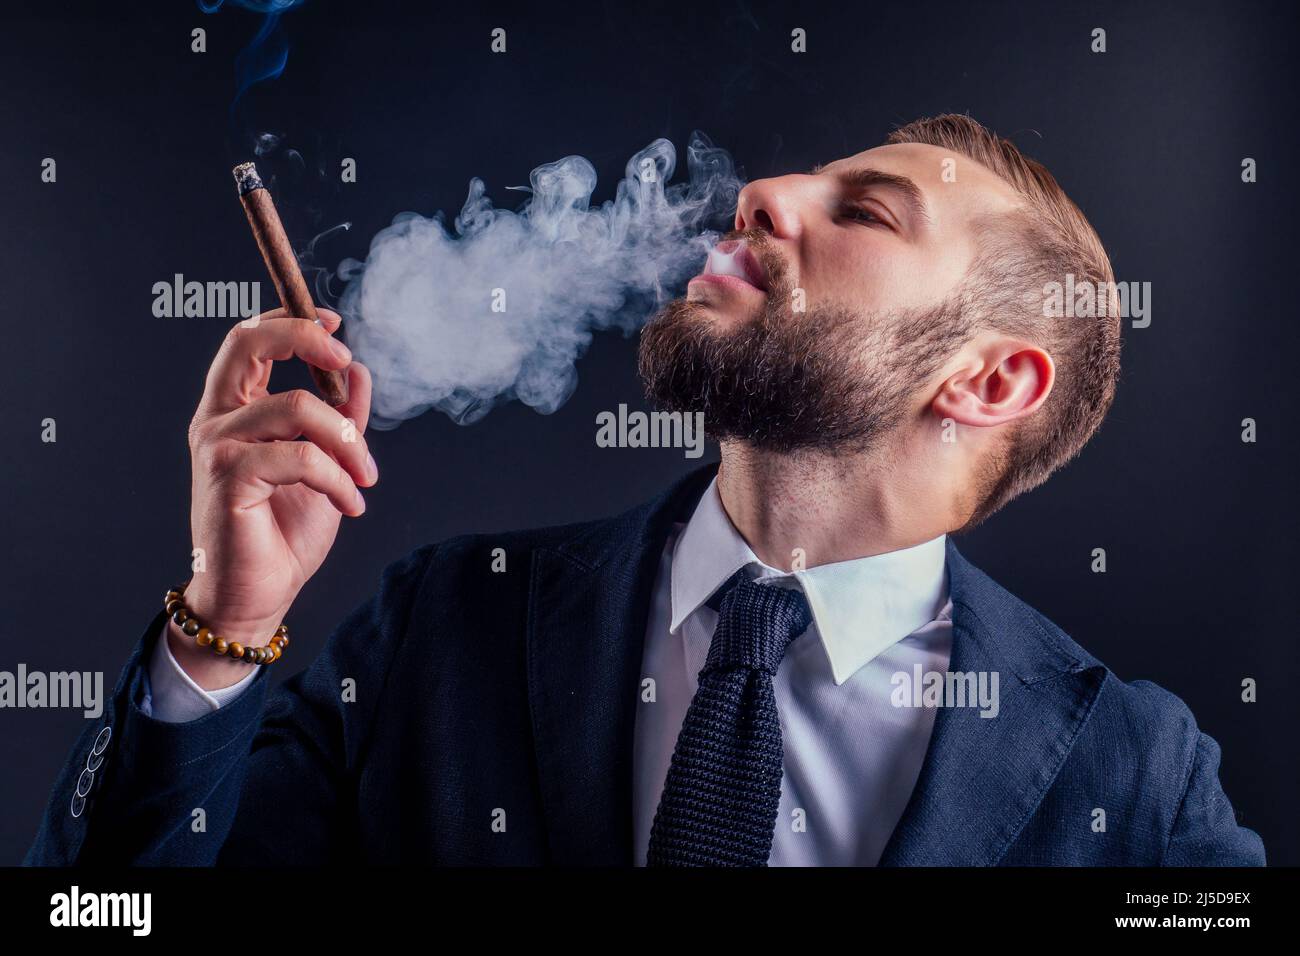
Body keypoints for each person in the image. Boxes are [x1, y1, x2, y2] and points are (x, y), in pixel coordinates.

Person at [26, 115, 1264, 866]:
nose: (764, 194)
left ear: (990, 380)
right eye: (802, 181)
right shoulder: (445, 626)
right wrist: (223, 628)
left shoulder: (1133, 779)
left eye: (865, 213)